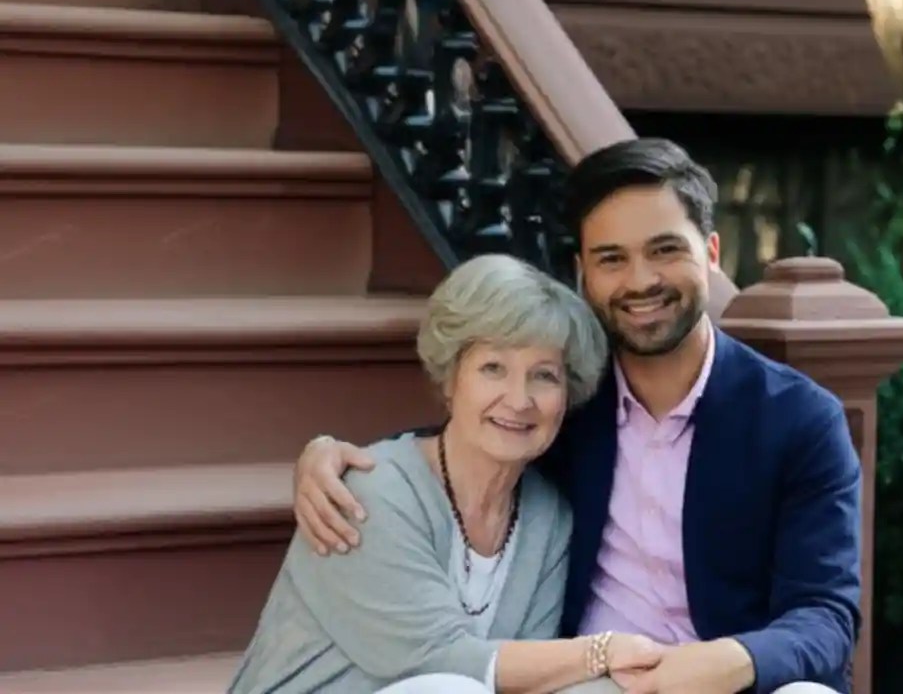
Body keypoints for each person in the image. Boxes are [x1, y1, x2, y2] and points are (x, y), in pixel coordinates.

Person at [294, 138, 863, 694]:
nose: (640, 281)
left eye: (665, 250)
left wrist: (734, 660)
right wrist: (338, 458)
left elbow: (826, 613)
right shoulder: (567, 401)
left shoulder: (797, 419)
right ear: (582, 273)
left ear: (711, 253)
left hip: (728, 681)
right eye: (612, 259)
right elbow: (478, 434)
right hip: (591, 681)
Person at [229, 254, 669, 693]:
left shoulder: (547, 517)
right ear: (450, 379)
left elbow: (532, 675)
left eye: (544, 376)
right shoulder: (372, 493)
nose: (519, 400)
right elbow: (436, 660)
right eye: (493, 368)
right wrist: (602, 652)